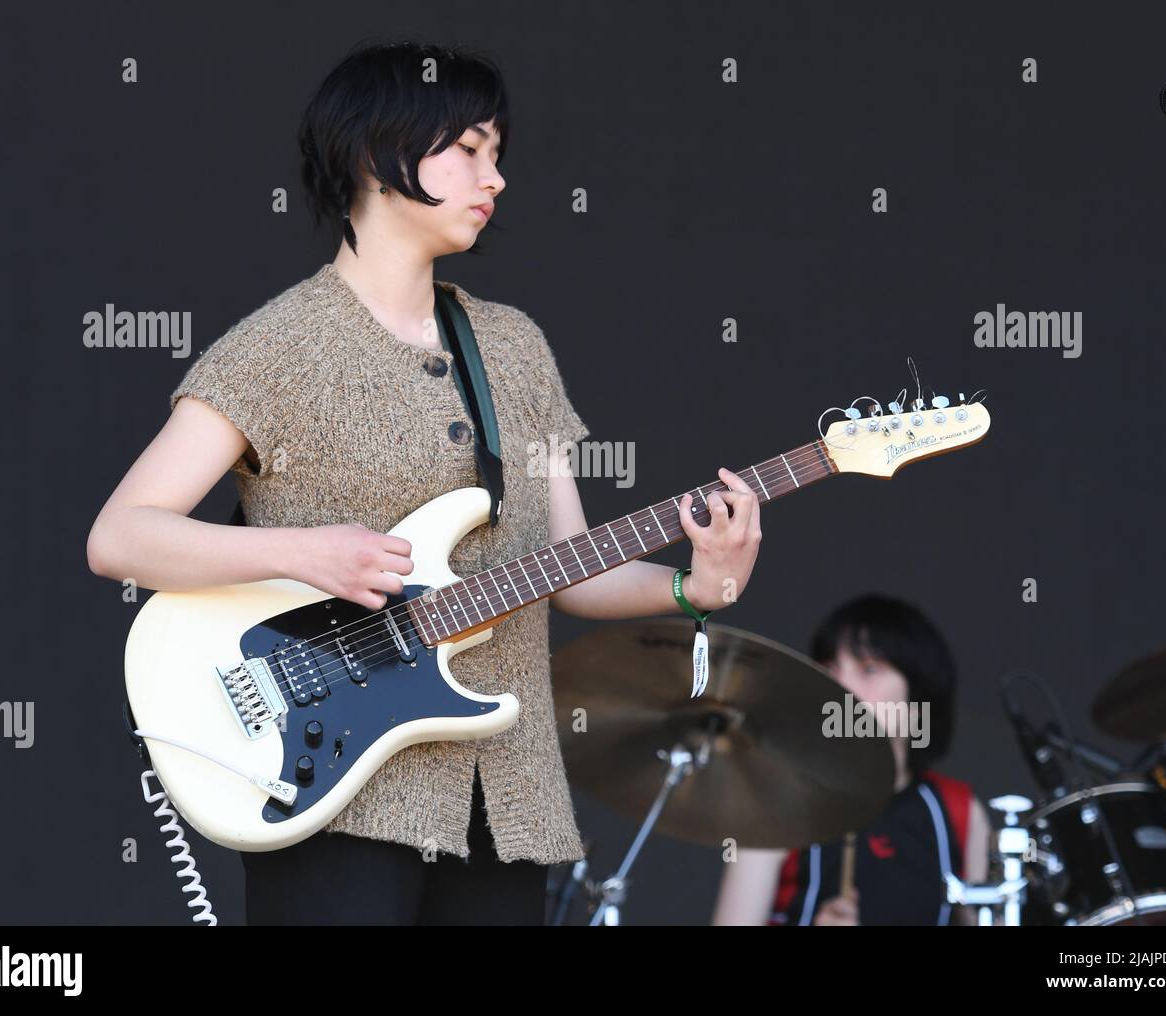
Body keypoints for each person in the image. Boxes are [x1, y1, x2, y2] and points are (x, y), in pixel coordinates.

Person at [86, 39, 763, 925]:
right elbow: (121, 535)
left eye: (498, 153)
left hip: (507, 797)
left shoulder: (513, 346)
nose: (497, 177)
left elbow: (568, 563)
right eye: (470, 148)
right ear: (377, 154)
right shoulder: (279, 347)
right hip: (329, 784)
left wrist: (692, 583)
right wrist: (307, 553)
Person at [712, 595, 990, 926]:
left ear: (919, 698)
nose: (840, 687)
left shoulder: (960, 810)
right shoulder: (777, 803)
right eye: (830, 668)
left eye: (869, 669)